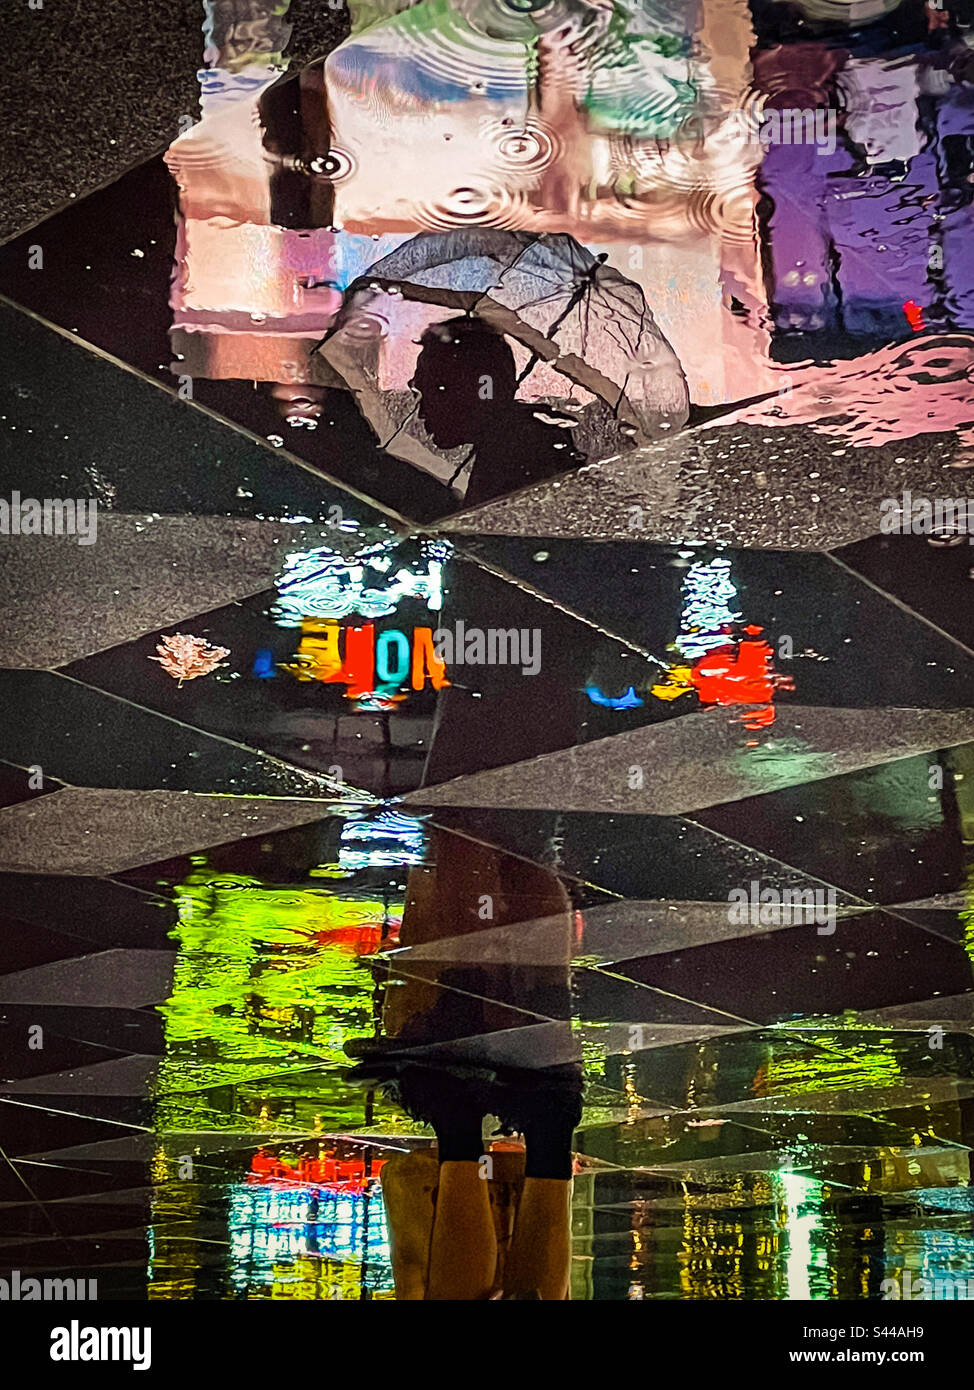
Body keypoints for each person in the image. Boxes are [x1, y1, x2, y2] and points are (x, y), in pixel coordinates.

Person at [411, 316, 587, 507]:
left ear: (479, 388)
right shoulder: (511, 442)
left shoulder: (524, 454)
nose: (422, 411)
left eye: (432, 391)